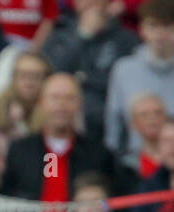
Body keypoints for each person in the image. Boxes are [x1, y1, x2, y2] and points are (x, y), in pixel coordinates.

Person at [105, 0, 174, 159]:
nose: (159, 34)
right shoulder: (122, 70)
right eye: (152, 26)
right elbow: (114, 126)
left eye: (166, 26)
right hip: (133, 167)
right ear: (142, 29)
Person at [0, 72, 116, 202]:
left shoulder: (98, 154)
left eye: (69, 98)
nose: (61, 104)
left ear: (80, 104)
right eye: (55, 97)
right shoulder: (19, 150)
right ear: (41, 103)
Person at [41, 0, 139, 145]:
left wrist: (87, 80)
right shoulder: (58, 34)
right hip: (65, 114)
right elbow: (51, 73)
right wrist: (83, 35)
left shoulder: (126, 40)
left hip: (106, 116)